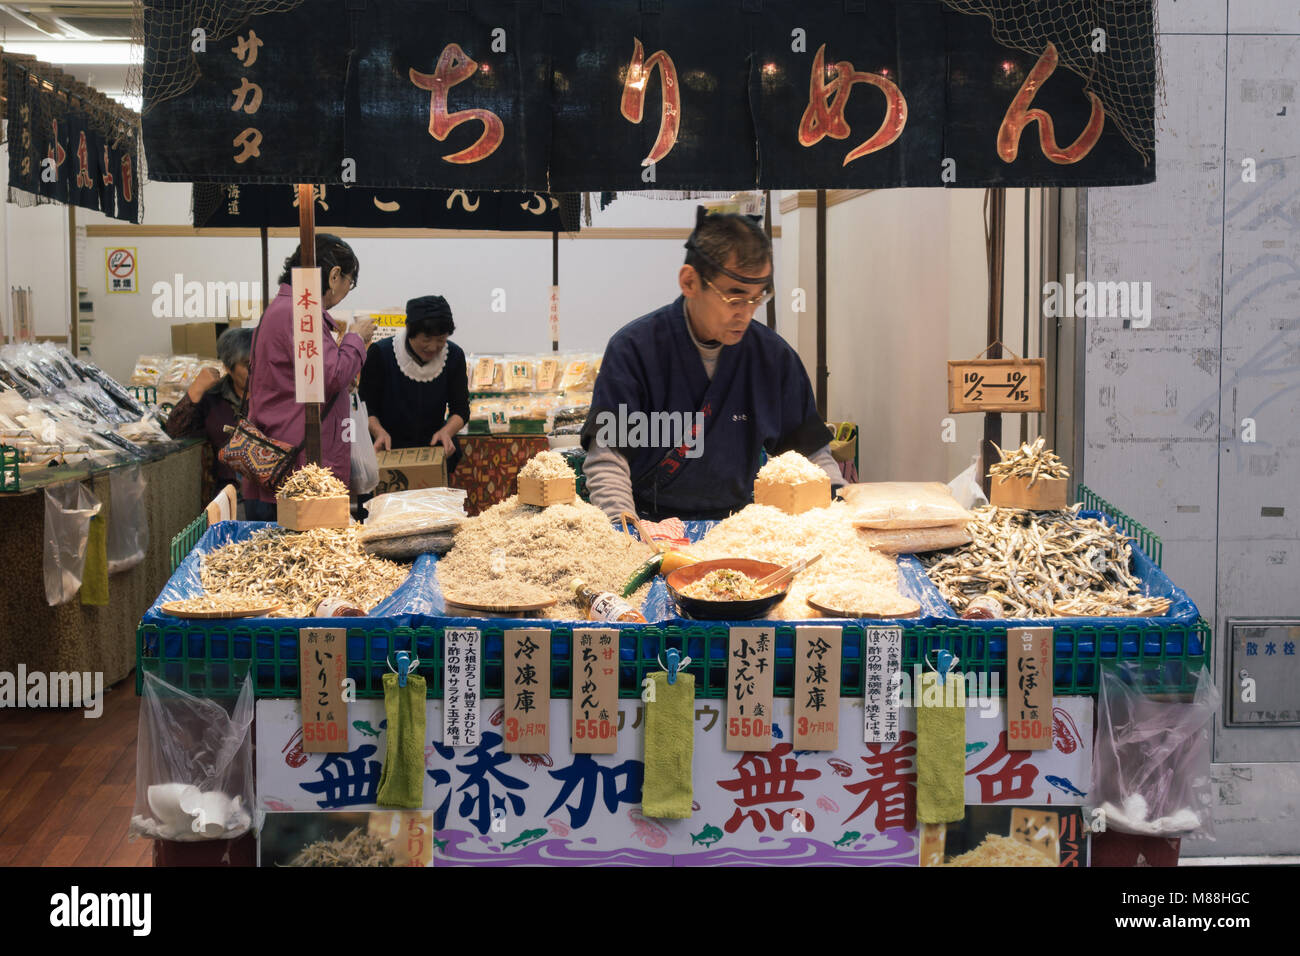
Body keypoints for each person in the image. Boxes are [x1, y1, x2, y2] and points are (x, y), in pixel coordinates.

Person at [581, 207, 843, 521]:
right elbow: (608, 457)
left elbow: (811, 455)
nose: (746, 313)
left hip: (742, 524)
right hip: (649, 522)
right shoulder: (634, 349)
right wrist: (623, 528)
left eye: (757, 297)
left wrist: (838, 514)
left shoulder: (772, 357)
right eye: (734, 297)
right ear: (690, 282)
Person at [242, 234, 375, 521]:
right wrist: (356, 339)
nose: (346, 291)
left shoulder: (283, 308)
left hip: (280, 464)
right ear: (335, 275)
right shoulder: (302, 313)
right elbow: (331, 376)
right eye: (349, 283)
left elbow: (311, 379)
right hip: (296, 471)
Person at [359, 295, 469, 473]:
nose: (433, 347)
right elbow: (366, 406)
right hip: (388, 449)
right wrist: (378, 431)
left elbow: (461, 408)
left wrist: (447, 431)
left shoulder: (454, 356)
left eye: (440, 339)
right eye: (426, 339)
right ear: (410, 330)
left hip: (432, 452)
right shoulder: (381, 353)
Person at [163, 327, 252, 504]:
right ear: (228, 366)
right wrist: (195, 390)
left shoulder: (275, 396)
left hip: (270, 495)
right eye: (247, 364)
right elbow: (174, 431)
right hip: (227, 496)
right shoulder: (213, 398)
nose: (256, 370)